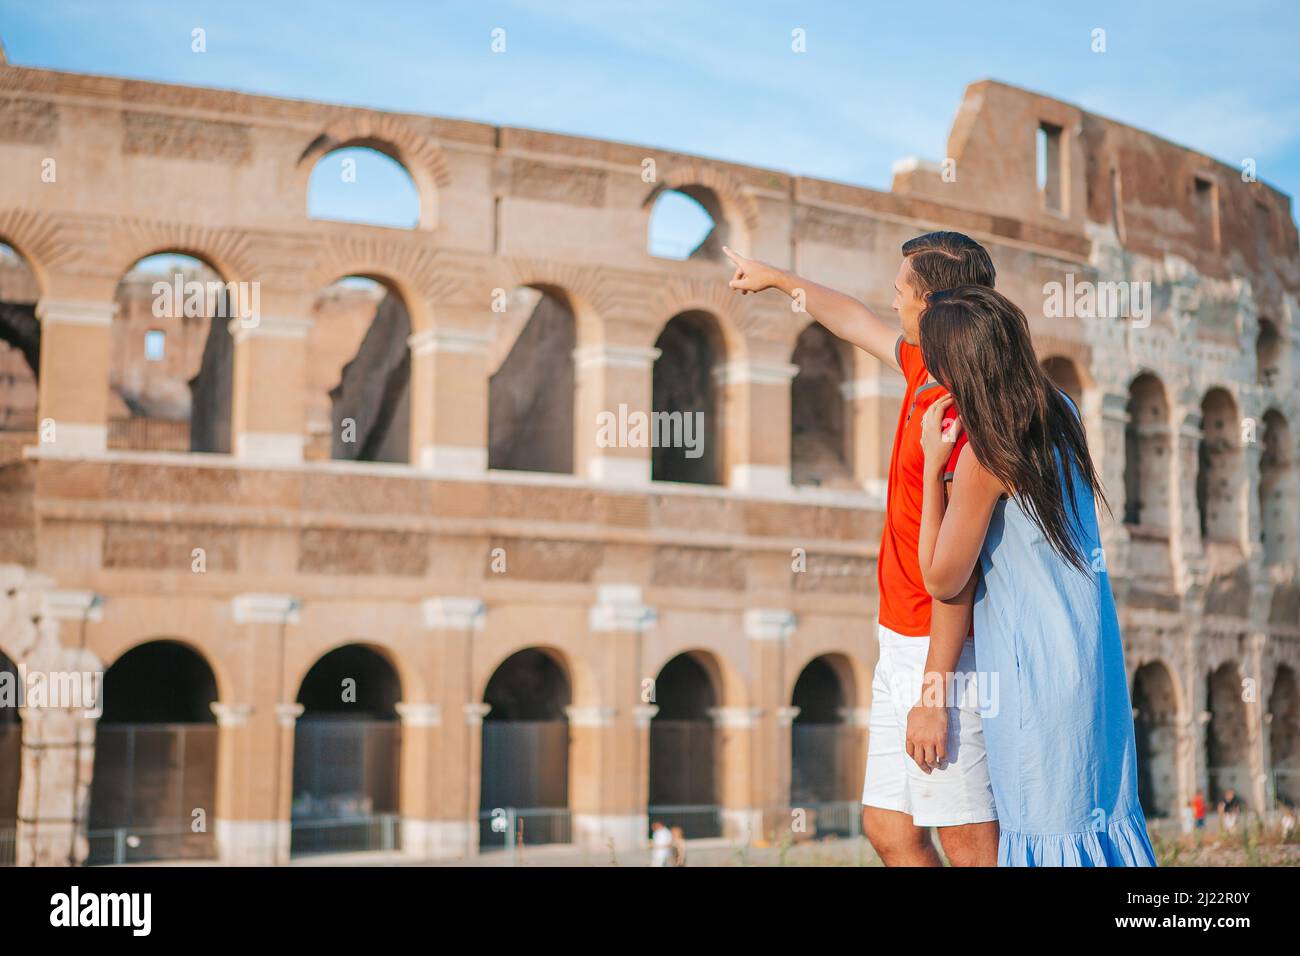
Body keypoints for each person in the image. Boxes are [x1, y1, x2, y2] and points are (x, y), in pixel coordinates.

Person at [725, 233, 999, 867]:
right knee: (889, 831)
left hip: (946, 652)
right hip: (900, 636)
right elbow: (855, 321)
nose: (892, 300)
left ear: (932, 303)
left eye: (902, 291)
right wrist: (778, 278)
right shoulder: (923, 368)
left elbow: (955, 578)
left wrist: (933, 697)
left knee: (968, 846)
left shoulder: (960, 415)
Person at [914, 284, 1156, 866]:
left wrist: (932, 467)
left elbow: (942, 579)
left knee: (1046, 831)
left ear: (956, 367)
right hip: (1090, 659)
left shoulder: (985, 457)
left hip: (1032, 678)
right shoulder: (1061, 413)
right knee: (1099, 819)